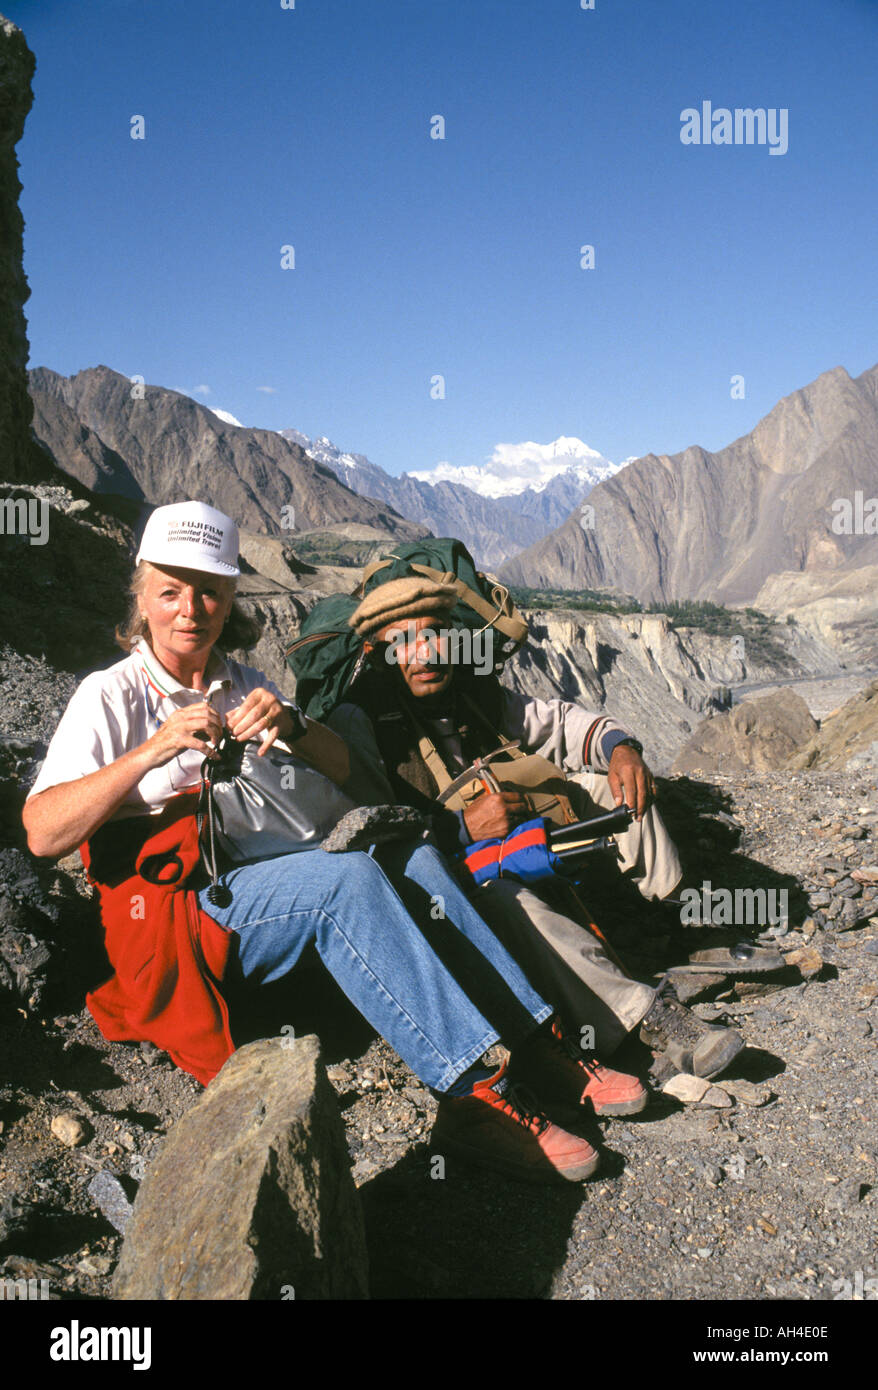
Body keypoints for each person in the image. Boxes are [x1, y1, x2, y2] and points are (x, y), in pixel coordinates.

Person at [22, 501, 644, 1186]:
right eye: (170, 592)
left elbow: (348, 772)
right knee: (344, 883)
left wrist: (293, 724)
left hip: (265, 875)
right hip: (186, 909)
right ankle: (472, 1096)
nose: (189, 610)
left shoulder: (243, 684)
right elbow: (43, 832)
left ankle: (535, 1042)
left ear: (230, 601)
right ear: (142, 598)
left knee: (414, 855)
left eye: (209, 592)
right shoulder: (109, 695)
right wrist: (152, 752)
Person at [325, 576, 745, 1080]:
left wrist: (621, 749)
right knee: (508, 899)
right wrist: (461, 828)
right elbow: (368, 833)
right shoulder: (358, 721)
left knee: (612, 788)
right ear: (376, 654)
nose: (425, 653)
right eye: (403, 642)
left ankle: (683, 923)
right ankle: (643, 1020)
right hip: (451, 880)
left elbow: (560, 724)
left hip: (520, 842)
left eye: (434, 634)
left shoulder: (473, 693)